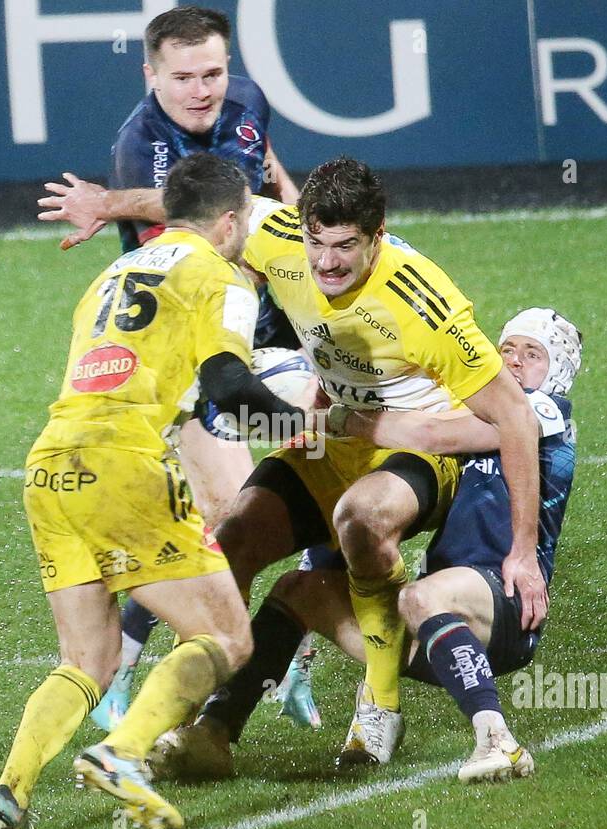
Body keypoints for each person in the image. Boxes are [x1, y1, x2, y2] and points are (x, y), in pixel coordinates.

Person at [152, 157, 548, 775]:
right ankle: (196, 728)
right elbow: (202, 207)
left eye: (345, 246)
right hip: (335, 436)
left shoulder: (423, 301)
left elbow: (517, 419)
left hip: (418, 453)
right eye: (317, 243)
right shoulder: (278, 237)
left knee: (360, 518)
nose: (327, 262)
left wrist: (522, 553)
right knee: (232, 541)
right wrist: (105, 204)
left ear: (377, 234)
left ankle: (379, 712)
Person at [0, 154, 322, 829]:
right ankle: (122, 752)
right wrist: (298, 427)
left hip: (50, 462)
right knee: (227, 639)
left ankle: (8, 796)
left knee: (86, 659)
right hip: (125, 465)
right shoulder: (223, 276)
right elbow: (227, 384)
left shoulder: (108, 275)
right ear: (232, 221)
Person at [35, 6, 312, 731]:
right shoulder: (138, 147)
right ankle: (139, 670)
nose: (202, 90)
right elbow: (190, 206)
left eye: (213, 72)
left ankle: (289, 663)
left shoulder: (248, 99)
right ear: (149, 73)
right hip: (191, 359)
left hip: (267, 320)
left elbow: (260, 177)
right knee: (233, 511)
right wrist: (110, 202)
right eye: (182, 76)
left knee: (304, 484)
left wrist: (299, 206)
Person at [241, 308, 583, 782]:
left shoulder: (543, 412)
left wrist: (339, 418)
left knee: (419, 595)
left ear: (559, 371)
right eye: (507, 350)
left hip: (505, 599)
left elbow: (433, 432)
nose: (515, 362)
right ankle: (215, 726)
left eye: (533, 354)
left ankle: (497, 740)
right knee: (301, 590)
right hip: (442, 619)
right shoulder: (484, 406)